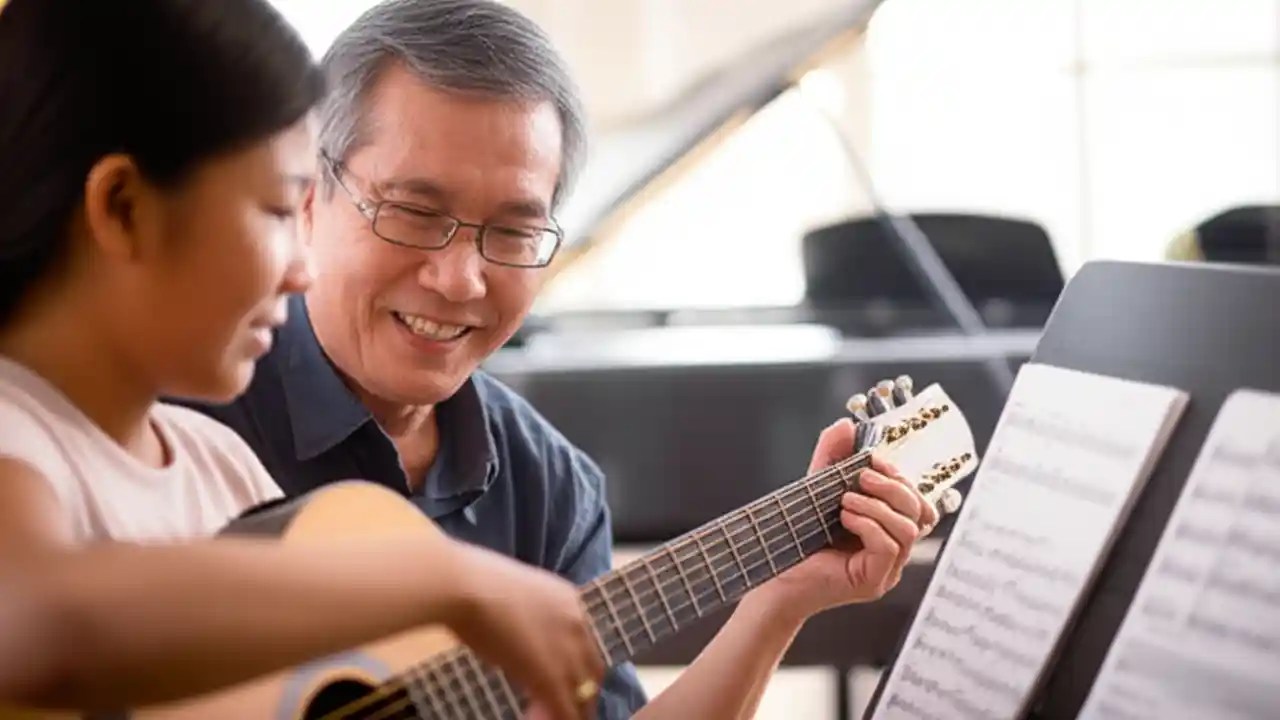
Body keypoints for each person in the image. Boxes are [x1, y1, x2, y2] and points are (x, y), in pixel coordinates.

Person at [182, 1, 939, 717]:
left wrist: (782, 599)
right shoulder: (180, 411)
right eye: (415, 213)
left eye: (511, 233)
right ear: (309, 195)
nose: (460, 280)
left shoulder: (549, 486)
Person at [0, 2, 606, 718]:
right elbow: (35, 624)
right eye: (280, 210)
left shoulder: (216, 465)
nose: (299, 269)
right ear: (126, 208)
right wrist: (443, 576)